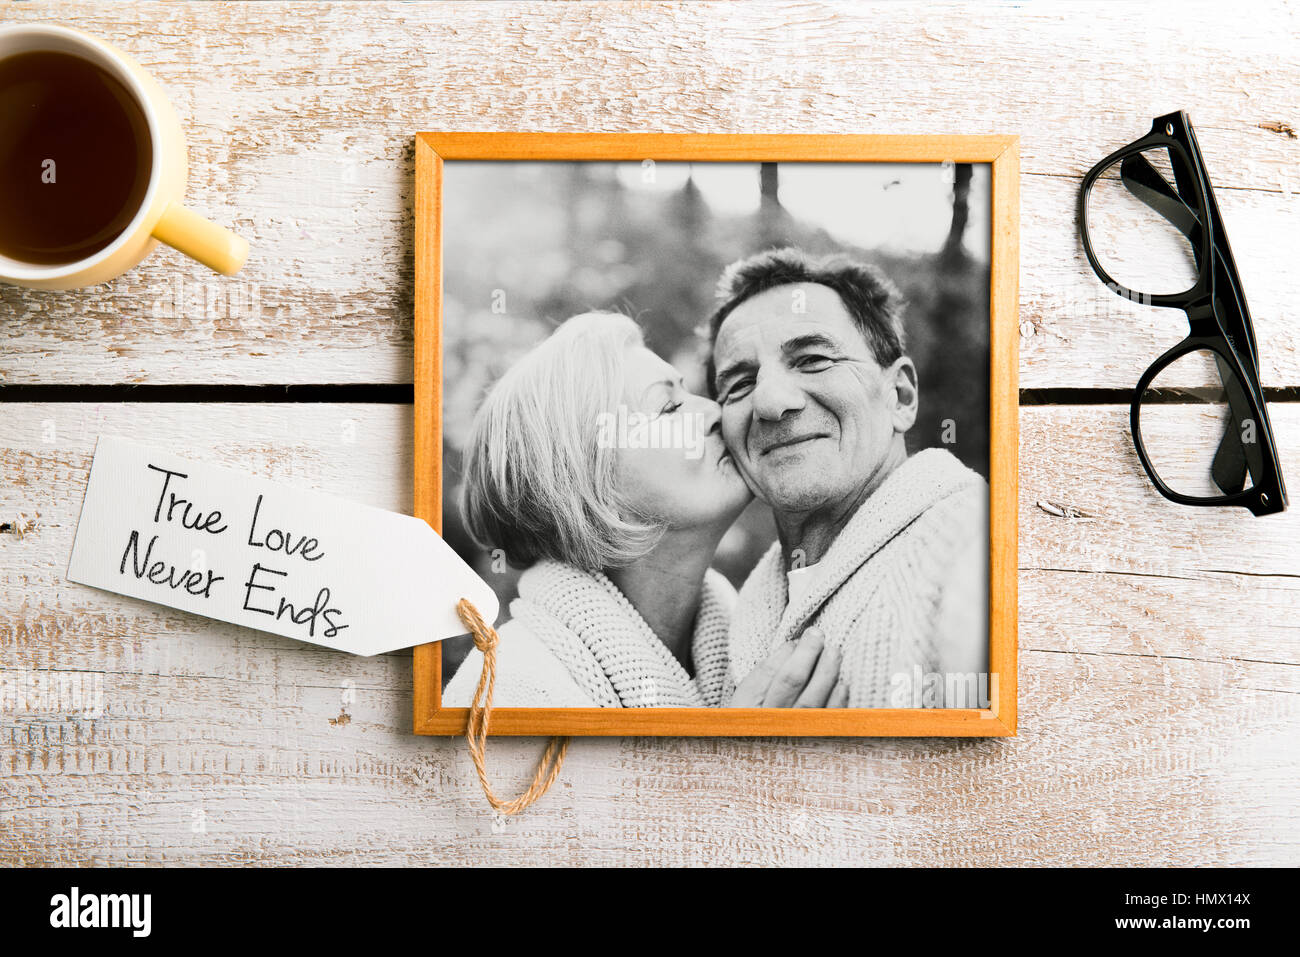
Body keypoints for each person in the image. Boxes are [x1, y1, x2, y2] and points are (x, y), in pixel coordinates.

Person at [443, 311, 845, 708]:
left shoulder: (756, 647)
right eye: (670, 407)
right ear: (585, 482)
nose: (714, 412)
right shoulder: (504, 694)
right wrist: (732, 746)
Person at [707, 248, 989, 708]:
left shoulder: (975, 542)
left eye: (813, 359)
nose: (770, 403)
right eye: (740, 384)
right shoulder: (728, 621)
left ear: (900, 396)